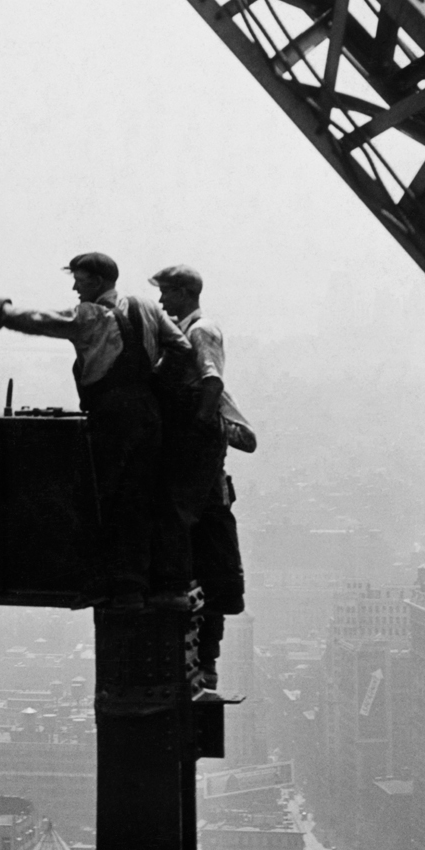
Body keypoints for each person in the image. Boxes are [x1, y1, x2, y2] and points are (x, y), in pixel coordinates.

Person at [0, 253, 196, 607]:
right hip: (148, 416)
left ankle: (105, 583)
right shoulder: (148, 307)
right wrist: (150, 382)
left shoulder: (91, 316)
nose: (75, 287)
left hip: (111, 416)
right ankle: (133, 587)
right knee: (137, 499)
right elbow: (181, 347)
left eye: (81, 280)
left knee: (102, 498)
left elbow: (42, 320)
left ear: (100, 282)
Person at [149, 263, 254, 694]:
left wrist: (198, 429)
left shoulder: (200, 331)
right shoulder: (178, 334)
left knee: (210, 569)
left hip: (202, 477)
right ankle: (200, 662)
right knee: (195, 568)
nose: (161, 301)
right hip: (190, 473)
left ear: (185, 292)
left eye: (167, 292)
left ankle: (205, 663)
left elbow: (211, 382)